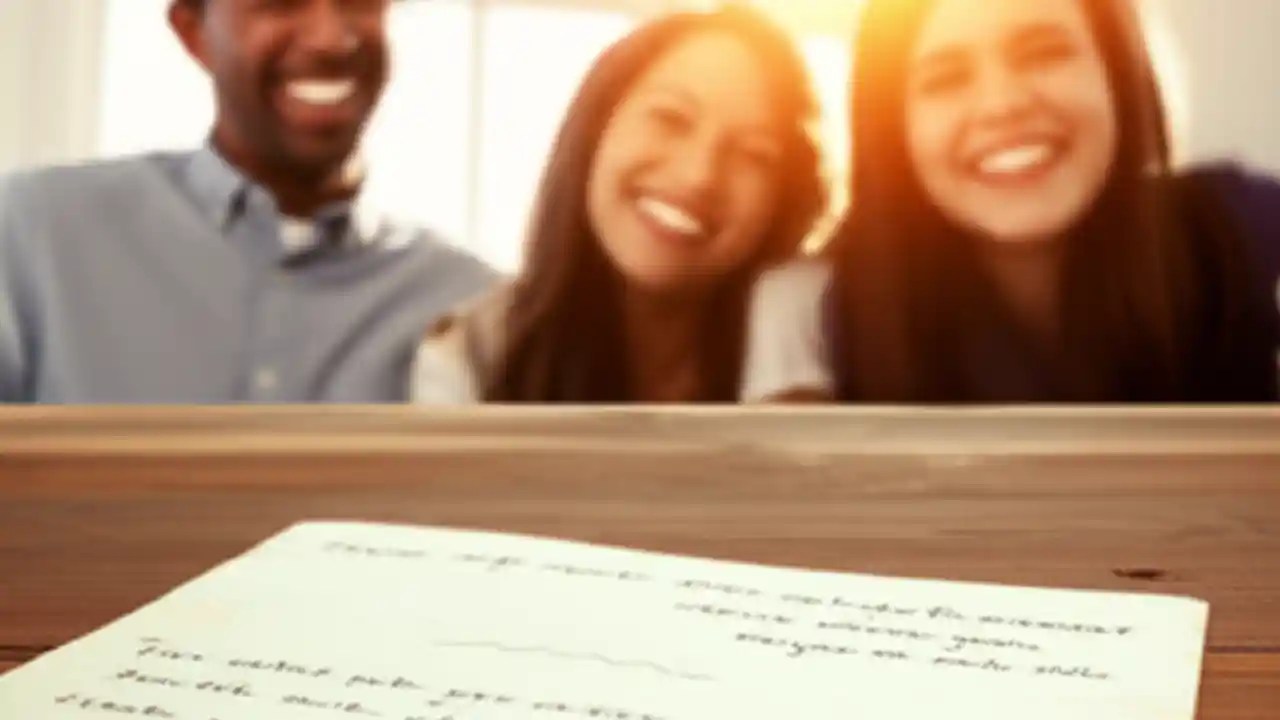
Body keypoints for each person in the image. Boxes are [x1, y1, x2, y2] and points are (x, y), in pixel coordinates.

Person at [744, 0, 1280, 403]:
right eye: (946, 79)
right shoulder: (815, 312)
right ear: (893, 130)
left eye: (1045, 53)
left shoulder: (1243, 232)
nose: (1001, 104)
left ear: (1117, 76)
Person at [0, 0, 495, 403]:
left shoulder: (471, 304)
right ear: (193, 33)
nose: (328, 36)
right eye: (281, 3)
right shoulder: (32, 235)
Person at [412, 6, 826, 404]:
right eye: (670, 118)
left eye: (753, 154)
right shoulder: (472, 356)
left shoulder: (806, 338)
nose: (699, 174)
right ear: (596, 127)